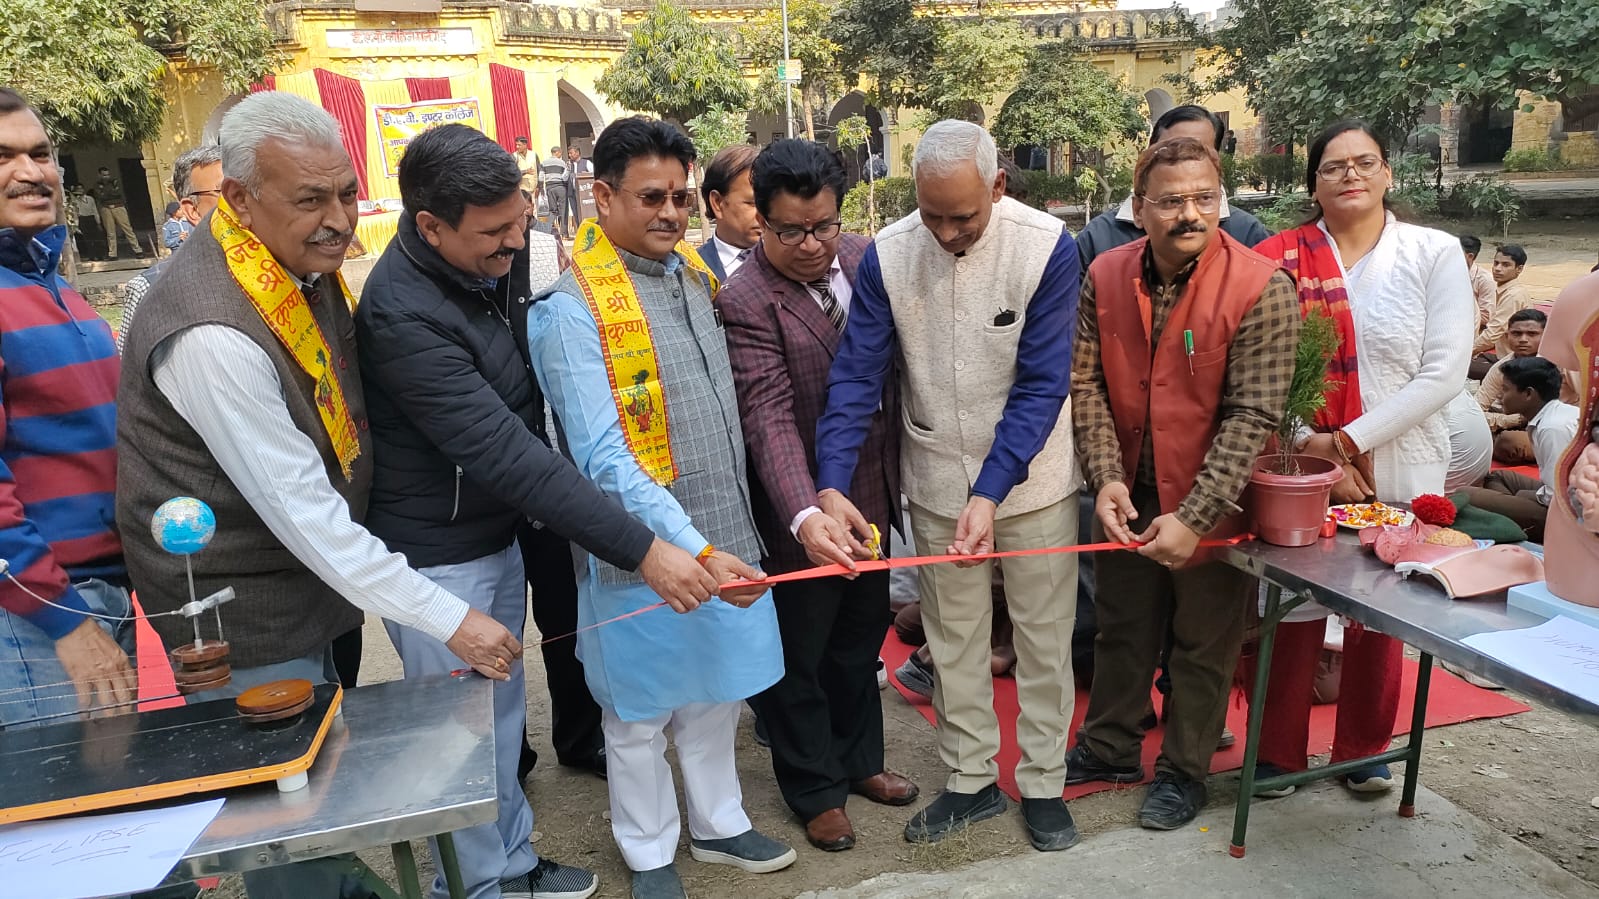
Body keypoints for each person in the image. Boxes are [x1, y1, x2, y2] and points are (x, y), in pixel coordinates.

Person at [116, 91, 524, 897]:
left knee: (324, 780)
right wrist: (452, 619)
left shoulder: (291, 265)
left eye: (344, 191)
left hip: (312, 593)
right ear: (236, 198)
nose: (339, 218)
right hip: (244, 612)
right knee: (285, 823)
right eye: (310, 199)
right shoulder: (210, 330)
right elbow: (306, 514)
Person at [359, 124, 723, 899]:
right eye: (494, 233)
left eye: (520, 220)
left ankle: (510, 862)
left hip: (495, 532)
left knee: (496, 721)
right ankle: (472, 884)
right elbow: (503, 450)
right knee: (453, 735)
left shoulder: (492, 256)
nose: (515, 243)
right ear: (430, 225)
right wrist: (645, 549)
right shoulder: (399, 314)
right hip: (439, 552)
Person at [525, 115, 796, 899]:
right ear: (600, 196)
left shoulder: (691, 275)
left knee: (715, 693)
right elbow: (602, 455)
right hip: (638, 547)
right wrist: (685, 545)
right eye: (651, 198)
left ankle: (716, 823)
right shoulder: (569, 307)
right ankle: (648, 851)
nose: (671, 214)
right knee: (638, 717)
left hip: (721, 527)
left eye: (681, 198)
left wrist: (717, 543)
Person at [816, 120, 1083, 852]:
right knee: (953, 636)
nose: (945, 231)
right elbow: (855, 376)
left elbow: (1041, 384)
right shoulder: (888, 256)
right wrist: (831, 483)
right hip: (934, 477)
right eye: (930, 213)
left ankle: (1043, 782)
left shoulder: (1046, 248)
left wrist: (992, 490)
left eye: (962, 215)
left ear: (997, 186)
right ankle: (969, 780)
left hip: (1033, 485)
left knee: (1041, 635)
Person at [1067, 136, 1300, 830]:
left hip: (1214, 500)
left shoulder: (1262, 285)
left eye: (1204, 197)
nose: (1189, 214)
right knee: (1120, 626)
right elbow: (1085, 383)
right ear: (1138, 208)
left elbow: (1251, 416)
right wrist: (1105, 477)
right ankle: (1109, 744)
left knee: (1204, 640)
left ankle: (1183, 769)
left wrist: (1195, 516)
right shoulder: (1103, 273)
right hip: (1129, 491)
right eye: (1169, 201)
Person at [1250, 119, 1474, 796]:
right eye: (1332, 166)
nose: (1348, 174)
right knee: (1287, 597)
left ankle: (1364, 749)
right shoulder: (1278, 257)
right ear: (1312, 183)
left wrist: (1346, 441)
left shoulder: (1430, 253)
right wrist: (1304, 442)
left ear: (1386, 175)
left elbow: (1443, 372)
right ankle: (1277, 751)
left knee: (1385, 602)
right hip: (1297, 460)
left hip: (1401, 459)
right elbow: (1253, 366)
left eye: (1363, 162)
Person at [720, 139, 917, 853]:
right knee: (798, 653)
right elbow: (767, 417)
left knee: (860, 638)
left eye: (823, 226)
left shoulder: (866, 259)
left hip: (871, 493)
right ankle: (813, 787)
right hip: (795, 504)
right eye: (790, 231)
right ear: (758, 225)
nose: (811, 245)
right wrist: (803, 512)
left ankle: (860, 759)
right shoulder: (744, 299)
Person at [0, 87, 138, 729]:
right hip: (35, 611)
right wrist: (60, 618)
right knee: (71, 814)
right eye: (3, 157)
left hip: (96, 590)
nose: (30, 173)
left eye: (40, 153)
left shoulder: (51, 286)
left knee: (115, 801)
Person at [1075, 105, 1271, 269]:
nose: (1184, 162)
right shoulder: (1098, 238)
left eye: (1197, 151)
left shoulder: (1247, 233)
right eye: (1171, 150)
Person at [1464, 356, 1580, 542]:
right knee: (1498, 477)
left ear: (1528, 394)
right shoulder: (1551, 416)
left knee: (1468, 496)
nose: (1501, 397)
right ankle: (1512, 519)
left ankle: (1523, 525)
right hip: (1555, 492)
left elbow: (1557, 497)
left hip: (1568, 512)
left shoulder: (1552, 428)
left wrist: (1526, 498)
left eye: (1506, 390)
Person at [121, 145, 225, 351]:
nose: (244, 202)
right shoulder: (149, 289)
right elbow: (128, 373)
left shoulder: (290, 275)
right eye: (226, 192)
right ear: (192, 210)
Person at [1481, 308, 1552, 463]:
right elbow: (1475, 410)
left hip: (1551, 430)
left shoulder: (1558, 365)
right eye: (1516, 334)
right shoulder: (1501, 368)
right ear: (1507, 336)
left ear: (1546, 336)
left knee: (1508, 442)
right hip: (1512, 423)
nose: (1523, 339)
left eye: (1532, 334)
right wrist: (1513, 420)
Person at [697, 143, 762, 281]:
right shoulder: (691, 272)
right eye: (752, 203)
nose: (764, 214)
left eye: (768, 203)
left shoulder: (791, 264)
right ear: (717, 203)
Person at [1471, 243, 1533, 379]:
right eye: (1496, 263)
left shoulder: (1513, 295)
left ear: (1519, 269)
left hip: (1515, 362)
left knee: (1462, 366)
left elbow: (1492, 334)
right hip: (1505, 355)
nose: (1497, 269)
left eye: (1506, 265)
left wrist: (1465, 352)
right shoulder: (1505, 291)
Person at [93, 164, 144, 259]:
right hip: (106, 208)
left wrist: (106, 192)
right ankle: (112, 254)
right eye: (104, 175)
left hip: (119, 207)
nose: (106, 177)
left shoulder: (115, 181)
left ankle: (138, 250)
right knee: (110, 232)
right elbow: (100, 196)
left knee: (128, 230)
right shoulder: (97, 185)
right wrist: (110, 193)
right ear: (99, 175)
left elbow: (117, 193)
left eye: (107, 175)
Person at [1460, 234, 1496, 332]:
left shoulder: (1485, 279)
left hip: (1473, 331)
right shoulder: (1446, 274)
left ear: (1470, 256)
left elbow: (1486, 317)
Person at [538, 145, 570, 239]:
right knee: (563, 210)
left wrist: (541, 188)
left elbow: (540, 176)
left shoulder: (544, 163)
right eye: (560, 153)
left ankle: (548, 232)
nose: (561, 155)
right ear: (557, 152)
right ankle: (564, 234)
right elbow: (564, 177)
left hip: (549, 188)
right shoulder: (562, 163)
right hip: (560, 187)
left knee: (552, 210)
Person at [565, 145, 591, 227]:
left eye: (571, 153)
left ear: (577, 153)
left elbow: (594, 174)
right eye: (569, 153)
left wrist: (586, 174)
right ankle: (580, 228)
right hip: (572, 193)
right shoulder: (569, 165)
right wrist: (568, 169)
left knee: (584, 212)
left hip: (584, 193)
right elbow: (564, 178)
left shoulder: (586, 163)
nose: (569, 155)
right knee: (575, 212)